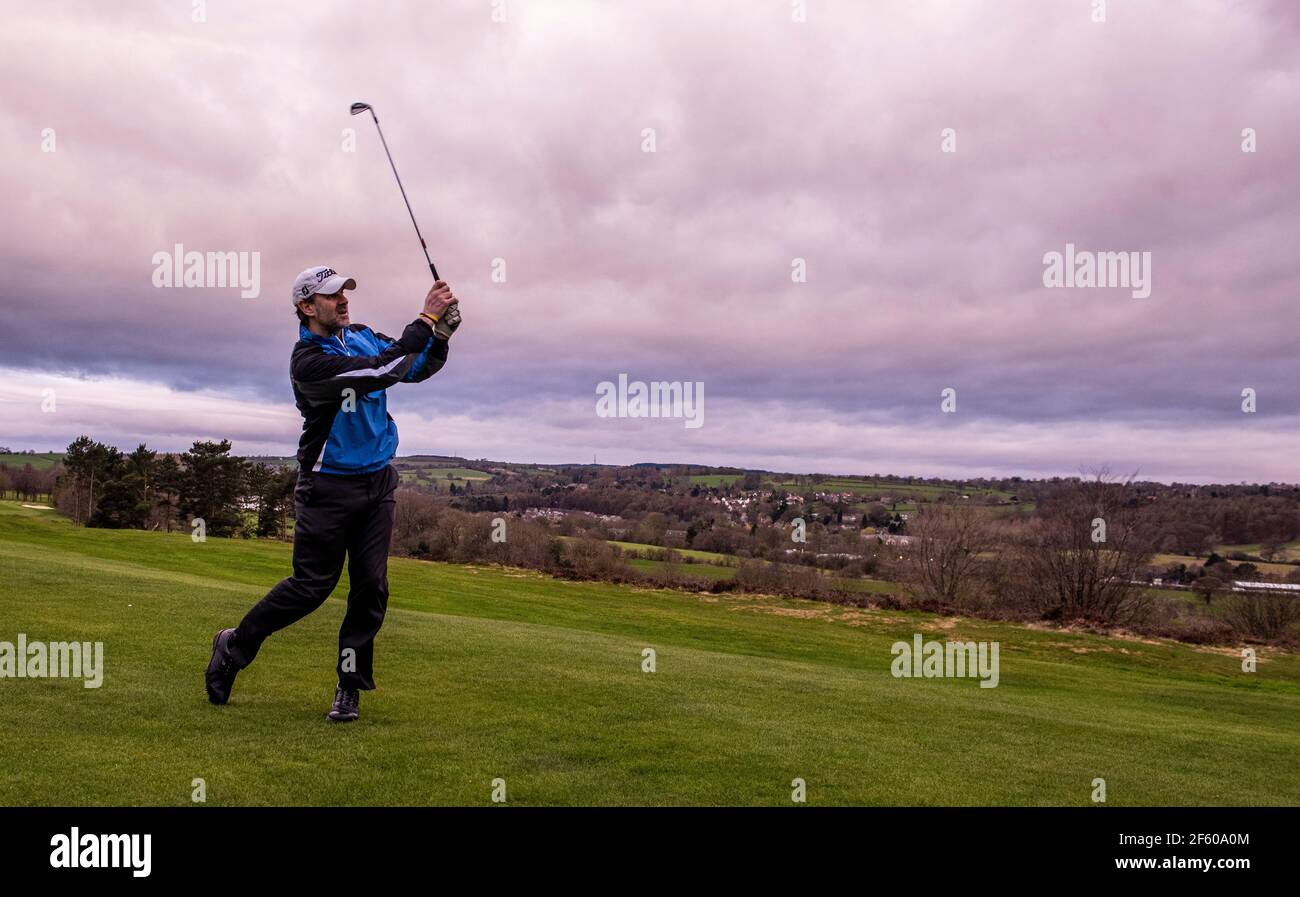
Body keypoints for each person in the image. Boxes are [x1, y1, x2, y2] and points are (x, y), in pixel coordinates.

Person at [205, 265, 460, 722]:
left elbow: (409, 367)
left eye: (344, 292)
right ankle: (235, 645)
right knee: (311, 588)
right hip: (327, 484)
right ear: (306, 307)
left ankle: (349, 687)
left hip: (377, 481)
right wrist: (425, 318)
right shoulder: (308, 362)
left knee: (370, 588)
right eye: (331, 296)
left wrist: (440, 336)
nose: (343, 300)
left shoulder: (361, 334)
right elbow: (381, 370)